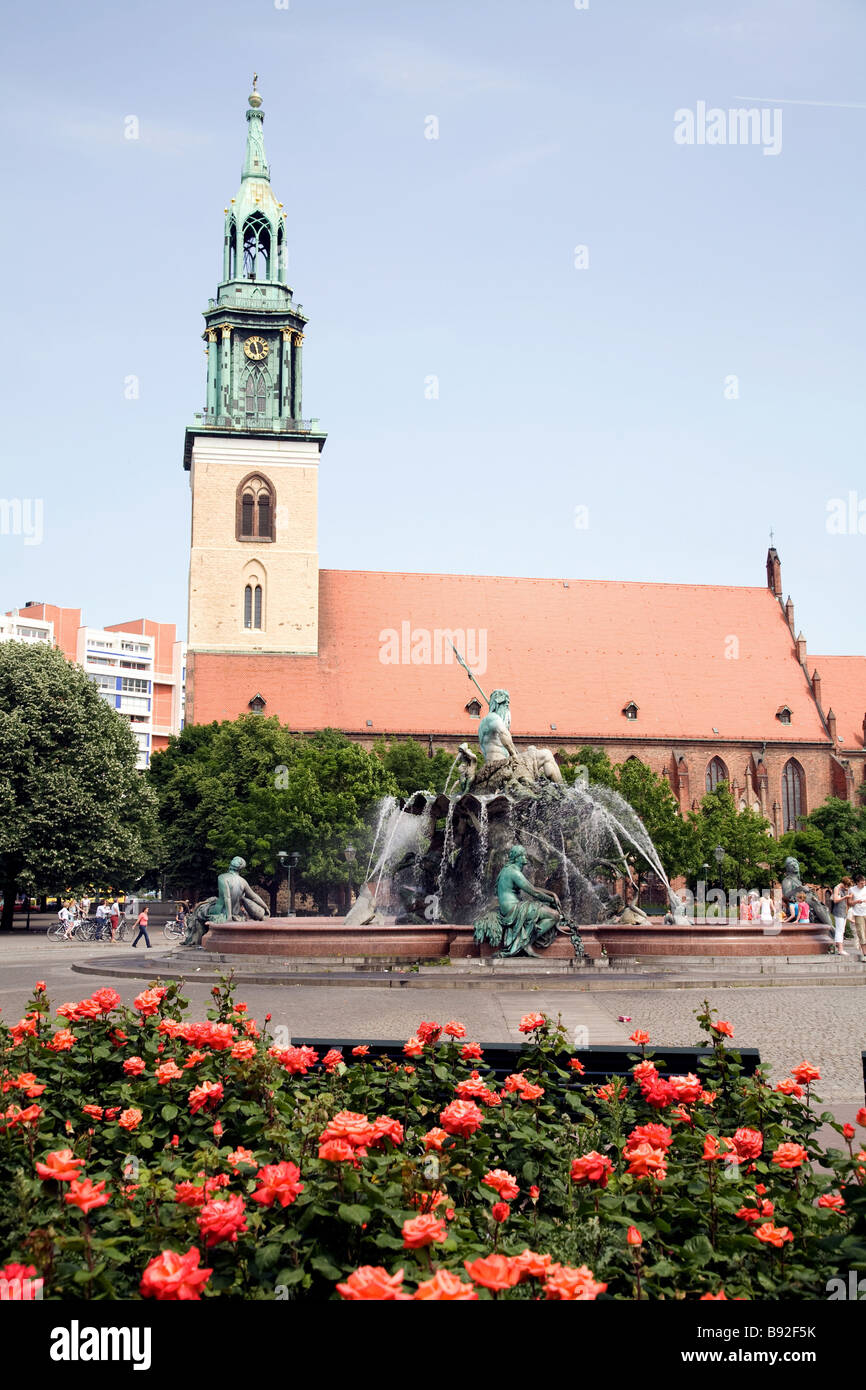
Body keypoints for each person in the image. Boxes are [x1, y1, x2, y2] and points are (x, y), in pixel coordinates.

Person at [831, 876, 853, 955]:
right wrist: (845, 897)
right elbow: (835, 900)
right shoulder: (837, 888)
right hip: (839, 911)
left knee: (842, 930)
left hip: (844, 912)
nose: (847, 888)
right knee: (839, 930)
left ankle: (837, 947)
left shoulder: (844, 889)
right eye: (847, 886)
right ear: (844, 884)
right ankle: (840, 949)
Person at [847, 874, 866, 961]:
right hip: (858, 913)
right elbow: (849, 903)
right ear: (857, 883)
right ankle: (864, 954)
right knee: (861, 934)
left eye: (864, 882)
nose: (863, 884)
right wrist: (856, 902)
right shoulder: (852, 890)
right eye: (861, 883)